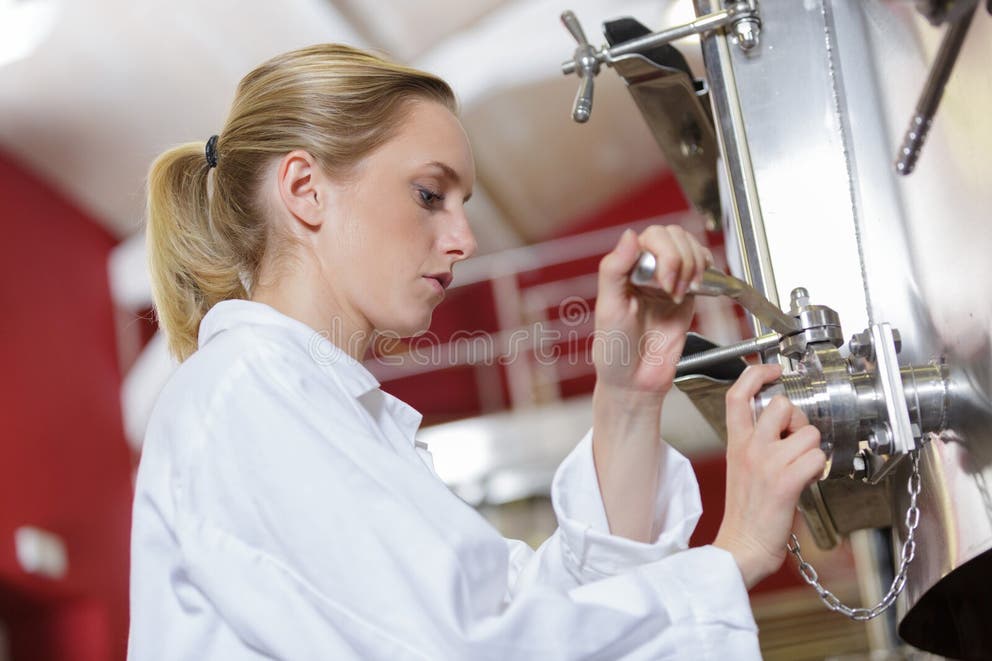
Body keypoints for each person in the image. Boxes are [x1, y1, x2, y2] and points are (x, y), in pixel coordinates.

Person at [128, 44, 825, 660]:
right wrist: (733, 555)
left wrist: (629, 397)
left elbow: (535, 607)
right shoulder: (243, 392)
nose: (464, 239)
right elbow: (464, 645)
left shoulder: (323, 408)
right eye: (429, 194)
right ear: (306, 190)